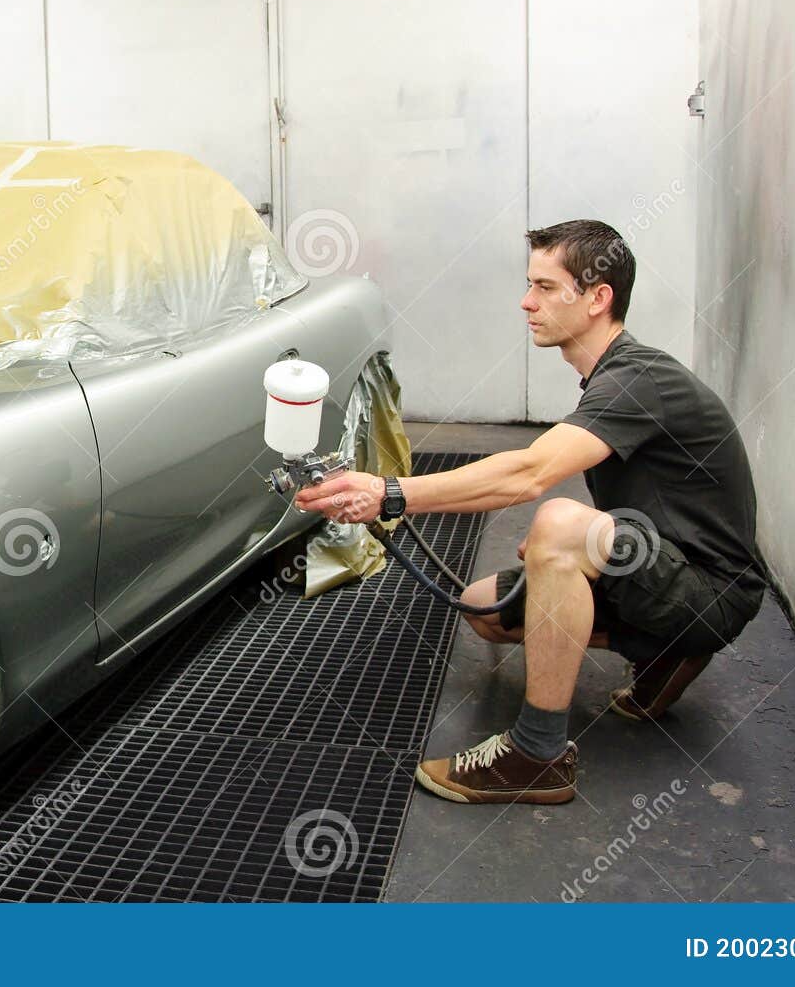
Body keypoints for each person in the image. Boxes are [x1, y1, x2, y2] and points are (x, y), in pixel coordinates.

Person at [294, 220, 766, 804]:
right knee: (482, 606)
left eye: (545, 287)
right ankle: (666, 649)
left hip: (710, 590)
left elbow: (530, 474)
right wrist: (563, 562)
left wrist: (390, 493)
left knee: (560, 524)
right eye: (529, 285)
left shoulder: (638, 379)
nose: (526, 302)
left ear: (598, 297)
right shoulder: (615, 374)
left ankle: (537, 756)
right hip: (665, 568)